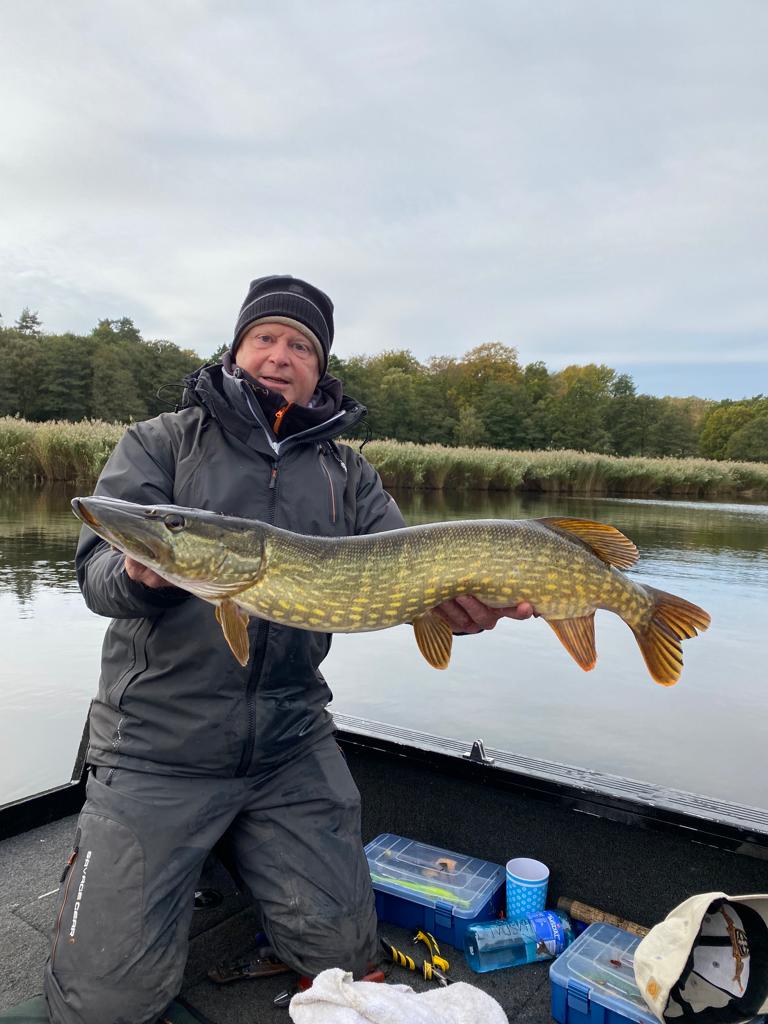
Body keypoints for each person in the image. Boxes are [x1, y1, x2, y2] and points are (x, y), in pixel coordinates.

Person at [44, 275, 534, 1024]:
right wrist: (146, 571)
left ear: (319, 368)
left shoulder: (349, 474)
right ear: (237, 349)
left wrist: (459, 610)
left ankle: (251, 859)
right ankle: (187, 871)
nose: (280, 355)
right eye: (264, 337)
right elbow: (96, 578)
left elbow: (412, 578)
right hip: (157, 748)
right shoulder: (162, 441)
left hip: (289, 746)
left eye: (300, 344)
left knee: (346, 953)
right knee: (107, 1003)